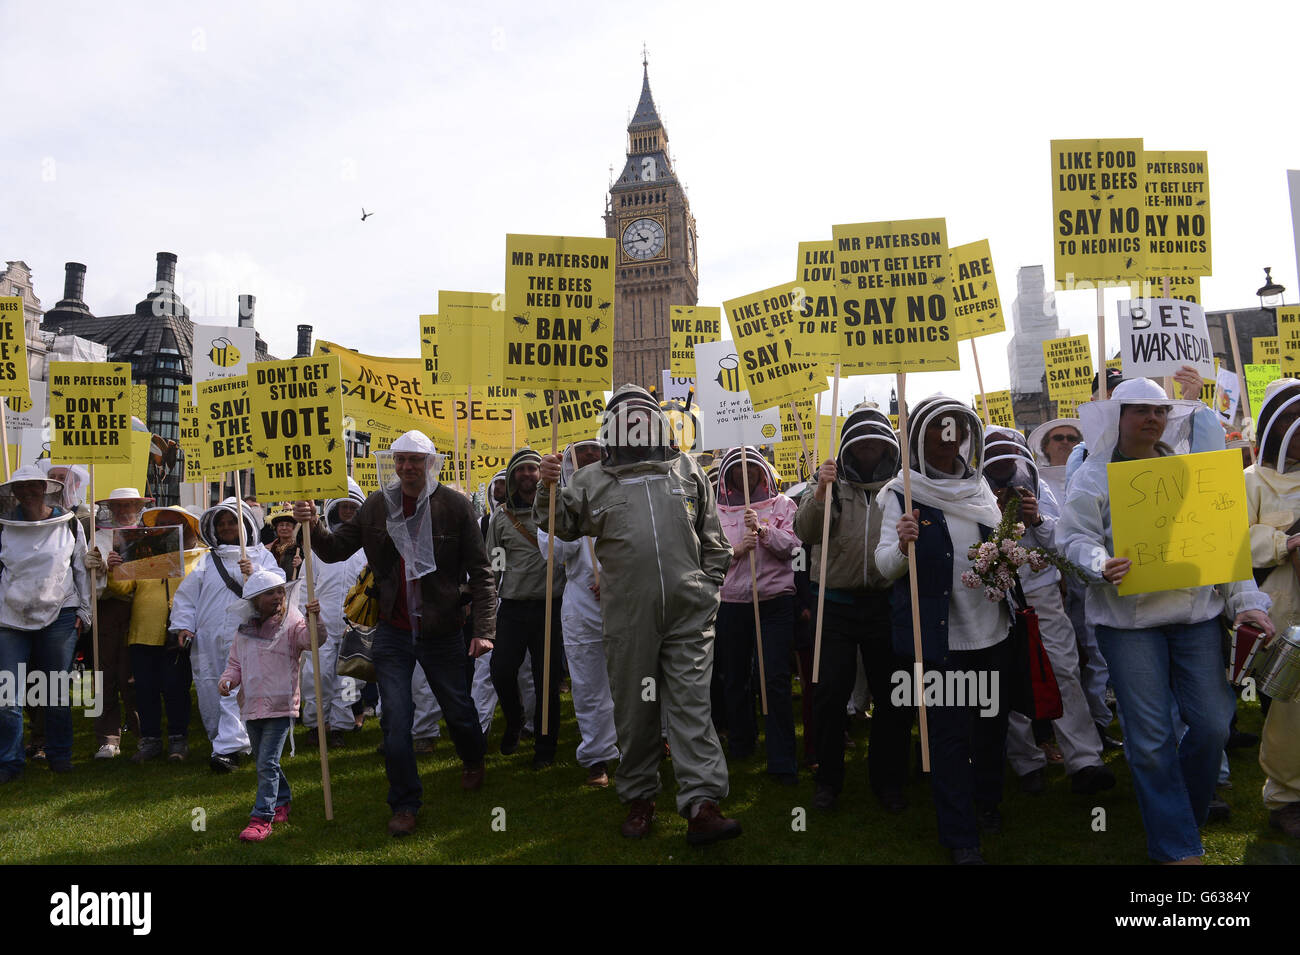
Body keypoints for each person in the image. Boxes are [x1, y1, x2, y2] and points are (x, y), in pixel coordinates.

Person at [1059, 377, 1272, 864]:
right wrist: (1099, 564)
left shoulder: (1192, 473)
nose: (1151, 419)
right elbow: (1073, 540)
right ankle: (1177, 847)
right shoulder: (1093, 476)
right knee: (1151, 738)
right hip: (1127, 625)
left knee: (1214, 724)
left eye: (1158, 411)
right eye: (1139, 411)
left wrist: (1249, 603)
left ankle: (1178, 821)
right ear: (1118, 417)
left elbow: (1226, 546)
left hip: (1195, 616)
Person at [536, 384, 741, 845]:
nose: (634, 423)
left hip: (689, 616)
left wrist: (706, 588)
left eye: (641, 415)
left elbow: (715, 542)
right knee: (635, 709)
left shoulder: (688, 470)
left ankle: (702, 804)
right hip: (629, 618)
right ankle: (640, 798)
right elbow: (559, 524)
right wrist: (548, 485)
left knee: (692, 707)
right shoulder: (591, 479)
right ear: (611, 427)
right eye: (624, 416)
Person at [295, 430, 496, 838]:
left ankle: (474, 758)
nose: (407, 468)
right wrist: (312, 524)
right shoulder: (376, 506)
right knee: (396, 720)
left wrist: (484, 629)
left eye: (415, 460)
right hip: (393, 630)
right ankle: (405, 803)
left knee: (457, 709)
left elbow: (482, 572)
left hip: (442, 630)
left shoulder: (454, 506)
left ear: (429, 464)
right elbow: (334, 550)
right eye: (400, 460)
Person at [876, 397, 1011, 865]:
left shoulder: (981, 488)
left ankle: (988, 801)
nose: (949, 438)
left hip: (991, 630)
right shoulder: (900, 494)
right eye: (939, 429)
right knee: (949, 735)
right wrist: (902, 542)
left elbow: (1002, 547)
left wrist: (1019, 535)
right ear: (919, 438)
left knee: (989, 727)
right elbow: (885, 567)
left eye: (958, 429)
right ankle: (960, 836)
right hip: (940, 637)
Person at [981, 427, 1115, 796]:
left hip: (1041, 594)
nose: (1004, 459)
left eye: (1009, 450)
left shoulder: (1041, 490)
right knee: (1007, 679)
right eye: (994, 450)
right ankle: (1027, 763)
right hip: (994, 596)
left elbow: (1064, 541)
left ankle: (1085, 760)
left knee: (1063, 671)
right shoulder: (972, 491)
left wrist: (1037, 519)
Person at [795, 403, 913, 812]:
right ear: (848, 445)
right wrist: (820, 493)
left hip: (886, 602)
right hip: (835, 605)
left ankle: (889, 780)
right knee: (829, 694)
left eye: (875, 444)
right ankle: (828, 780)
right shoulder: (828, 481)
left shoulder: (900, 486)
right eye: (860, 443)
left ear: (887, 447)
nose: (868, 450)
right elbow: (805, 533)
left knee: (894, 695)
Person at [169, 498, 279, 772]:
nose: (227, 527)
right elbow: (186, 597)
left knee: (237, 690)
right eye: (222, 523)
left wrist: (254, 574)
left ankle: (228, 749)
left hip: (248, 635)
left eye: (232, 521)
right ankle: (226, 742)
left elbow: (277, 589)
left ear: (245, 525)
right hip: (209, 639)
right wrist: (184, 625)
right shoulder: (208, 561)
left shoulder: (262, 556)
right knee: (209, 689)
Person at [536, 439, 619, 787]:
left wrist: (616, 578)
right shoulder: (559, 495)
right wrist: (557, 498)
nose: (589, 458)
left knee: (636, 677)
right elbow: (552, 550)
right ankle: (597, 757)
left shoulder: (620, 490)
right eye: (581, 454)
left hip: (626, 598)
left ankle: (644, 742)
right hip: (582, 605)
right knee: (588, 683)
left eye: (595, 453)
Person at [0, 466, 92, 781]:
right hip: (10, 618)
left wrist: (84, 611)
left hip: (60, 614)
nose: (27, 492)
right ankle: (9, 762)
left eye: (32, 486)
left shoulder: (69, 525)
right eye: (20, 488)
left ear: (44, 487)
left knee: (55, 692)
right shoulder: (4, 527)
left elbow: (80, 569)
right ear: (13, 492)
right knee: (7, 696)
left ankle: (60, 755)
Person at [715, 446, 800, 784]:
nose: (745, 474)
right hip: (732, 602)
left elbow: (793, 549)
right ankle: (741, 743)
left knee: (775, 678)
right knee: (734, 677)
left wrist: (764, 532)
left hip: (774, 601)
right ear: (729, 475)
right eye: (739, 470)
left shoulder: (783, 506)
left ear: (763, 472)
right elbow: (708, 555)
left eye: (751, 469)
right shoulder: (715, 511)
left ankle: (782, 758)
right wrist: (736, 551)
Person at [219, 569, 320, 842]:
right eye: (269, 593)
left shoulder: (292, 621)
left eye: (280, 591)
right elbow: (236, 663)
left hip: (281, 704)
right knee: (266, 760)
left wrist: (315, 619)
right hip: (251, 705)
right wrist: (228, 680)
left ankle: (261, 818)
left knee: (266, 761)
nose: (277, 596)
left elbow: (311, 642)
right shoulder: (245, 629)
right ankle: (282, 800)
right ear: (254, 600)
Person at [1243, 378, 1300, 838]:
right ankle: (1286, 798)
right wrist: (1284, 541)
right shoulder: (1249, 481)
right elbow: (1230, 540)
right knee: (1290, 711)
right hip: (1283, 615)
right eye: (1289, 417)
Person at [105, 505, 206, 762]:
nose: (168, 529)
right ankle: (149, 742)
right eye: (162, 524)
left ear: (190, 528)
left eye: (175, 524)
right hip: (143, 633)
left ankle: (178, 741)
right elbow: (122, 588)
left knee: (176, 688)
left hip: (179, 635)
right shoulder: (144, 553)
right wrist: (114, 568)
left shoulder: (204, 558)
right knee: (145, 690)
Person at [485, 447, 565, 768]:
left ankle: (545, 748)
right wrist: (488, 600)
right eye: (521, 470)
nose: (528, 475)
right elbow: (494, 564)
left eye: (533, 469)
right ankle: (515, 718)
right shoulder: (501, 518)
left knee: (547, 679)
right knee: (501, 671)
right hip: (514, 607)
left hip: (551, 605)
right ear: (512, 476)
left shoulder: (557, 509)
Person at [299, 481, 367, 750]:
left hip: (355, 624)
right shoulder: (317, 547)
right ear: (333, 510)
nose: (348, 512)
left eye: (353, 507)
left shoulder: (366, 548)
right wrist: (307, 613)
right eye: (344, 507)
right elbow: (306, 583)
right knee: (317, 676)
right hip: (322, 622)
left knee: (350, 679)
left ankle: (340, 724)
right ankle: (317, 725)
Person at [85, 487, 152, 759]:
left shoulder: (151, 536)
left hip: (143, 609)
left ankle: (144, 733)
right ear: (110, 509)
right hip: (108, 610)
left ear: (138, 508)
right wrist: (99, 570)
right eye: (119, 506)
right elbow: (91, 587)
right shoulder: (97, 538)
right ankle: (107, 737)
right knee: (104, 675)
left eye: (129, 506)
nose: (124, 511)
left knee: (135, 674)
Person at [266, 508, 303, 580]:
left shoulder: (299, 549)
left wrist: (301, 565)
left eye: (288, 525)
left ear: (293, 528)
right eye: (281, 525)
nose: (284, 528)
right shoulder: (269, 549)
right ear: (276, 528)